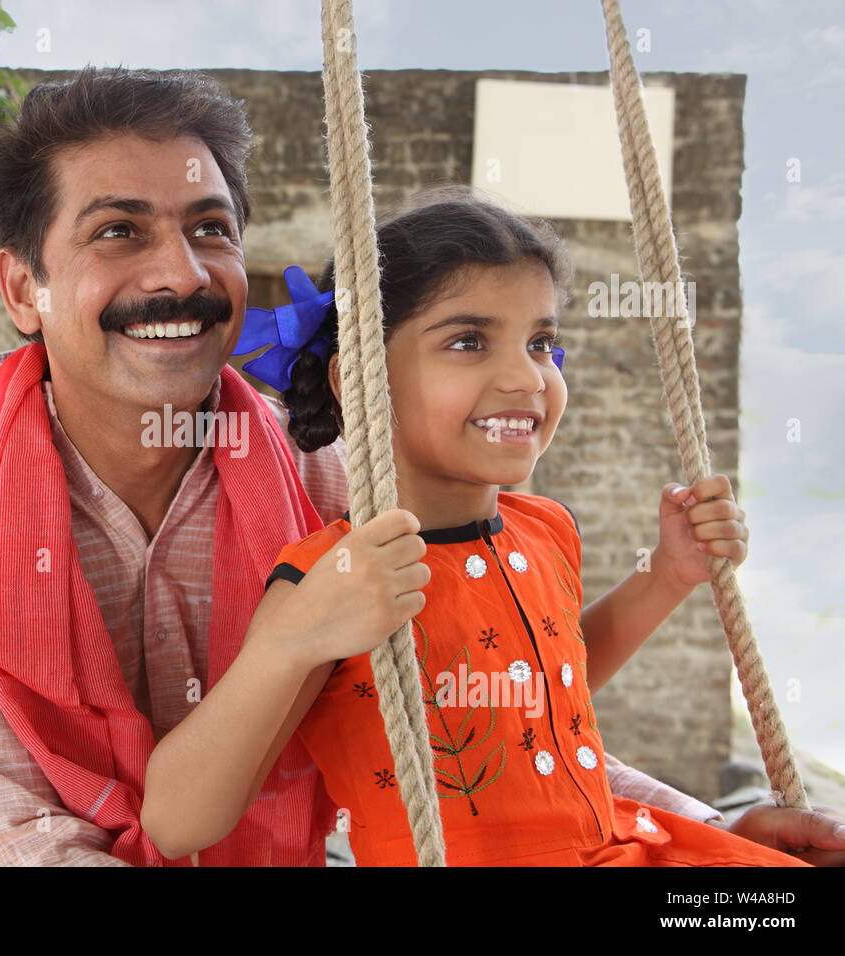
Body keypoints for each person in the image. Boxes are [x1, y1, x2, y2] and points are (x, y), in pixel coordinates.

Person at [0, 67, 777, 867]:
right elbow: (1, 839)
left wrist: (700, 832)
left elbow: (493, 719)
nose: (181, 275)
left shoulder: (339, 484)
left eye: (210, 230)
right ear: (22, 287)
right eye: (119, 232)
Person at [139, 192, 845, 866]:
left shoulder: (545, 530)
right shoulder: (337, 577)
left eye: (541, 342)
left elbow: (545, 683)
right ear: (354, 378)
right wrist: (294, 641)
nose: (527, 378)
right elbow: (177, 824)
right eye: (470, 341)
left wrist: (666, 576)